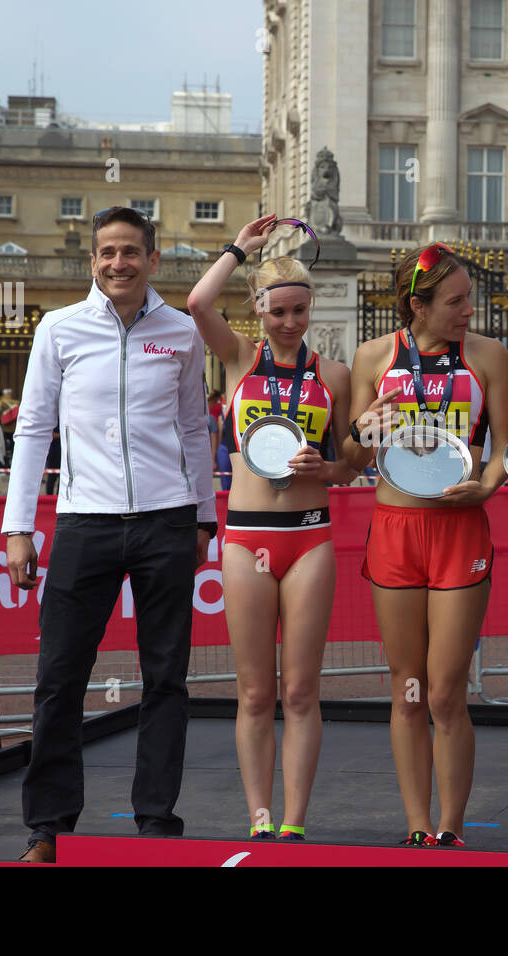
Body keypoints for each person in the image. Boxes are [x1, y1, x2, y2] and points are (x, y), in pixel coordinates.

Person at [3, 206, 217, 863]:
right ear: (91, 261)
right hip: (83, 523)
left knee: (166, 679)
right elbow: (34, 428)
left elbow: (192, 428)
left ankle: (155, 821)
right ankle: (47, 827)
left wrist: (205, 514)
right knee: (59, 676)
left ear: (152, 259)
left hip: (165, 520)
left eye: (130, 251)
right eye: (106, 253)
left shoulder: (183, 332)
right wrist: (18, 527)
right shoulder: (59, 329)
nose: (117, 263)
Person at [186, 215, 355, 841]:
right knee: (255, 692)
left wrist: (329, 463)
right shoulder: (236, 357)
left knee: (302, 692)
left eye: (299, 311)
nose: (289, 322)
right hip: (246, 534)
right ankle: (258, 816)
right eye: (278, 310)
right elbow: (198, 301)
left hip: (309, 535)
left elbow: (351, 467)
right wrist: (239, 249)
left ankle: (294, 822)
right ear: (259, 309)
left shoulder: (333, 376)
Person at [343, 242, 508, 848]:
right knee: (407, 686)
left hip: (459, 529)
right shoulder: (372, 357)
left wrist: (485, 490)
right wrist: (367, 429)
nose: (469, 309)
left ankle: (451, 828)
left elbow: (504, 451)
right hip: (395, 529)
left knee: (445, 689)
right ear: (418, 305)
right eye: (456, 301)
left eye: (470, 298)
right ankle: (417, 826)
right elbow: (350, 460)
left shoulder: (490, 356)